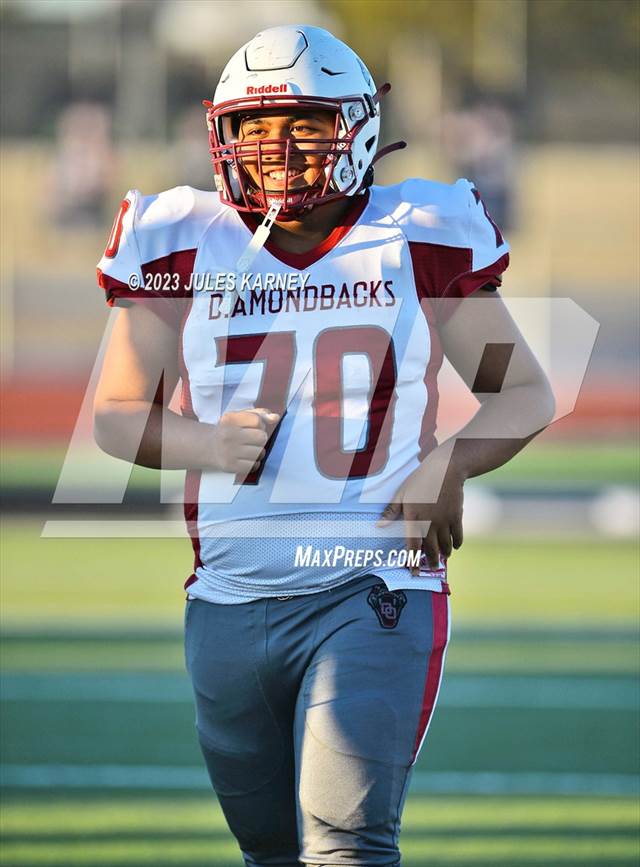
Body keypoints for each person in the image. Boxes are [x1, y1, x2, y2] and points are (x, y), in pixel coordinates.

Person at [93, 24, 554, 867]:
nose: (276, 148)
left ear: (355, 125)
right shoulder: (178, 238)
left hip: (372, 581)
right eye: (253, 126)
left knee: (347, 843)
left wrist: (450, 461)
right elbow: (117, 413)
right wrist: (204, 441)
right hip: (227, 598)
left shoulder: (418, 231)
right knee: (270, 850)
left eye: (303, 121)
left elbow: (525, 391)